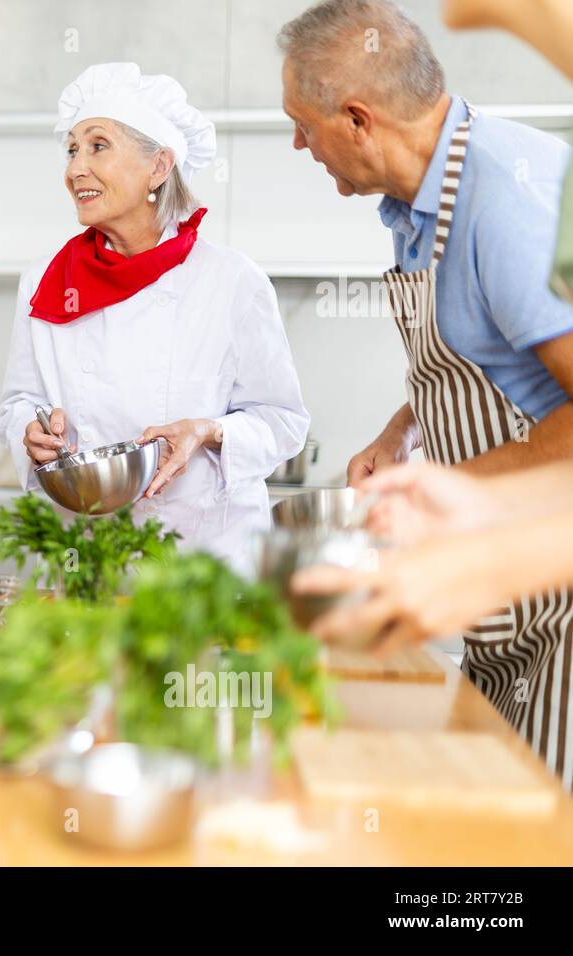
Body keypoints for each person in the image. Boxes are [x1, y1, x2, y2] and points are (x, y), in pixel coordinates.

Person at [278, 0, 573, 783]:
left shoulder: (504, 207)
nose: (298, 143)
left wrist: (444, 492)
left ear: (358, 120)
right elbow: (489, 350)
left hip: (556, 594)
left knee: (531, 829)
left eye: (302, 124)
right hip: (507, 592)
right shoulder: (421, 200)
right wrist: (401, 433)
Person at [0, 62, 308, 575]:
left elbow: (283, 422)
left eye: (98, 146)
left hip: (207, 566)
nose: (75, 169)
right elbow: (17, 403)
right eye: (72, 149)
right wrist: (30, 430)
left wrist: (207, 431)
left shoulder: (230, 281)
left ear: (159, 166)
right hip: (93, 560)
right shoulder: (45, 281)